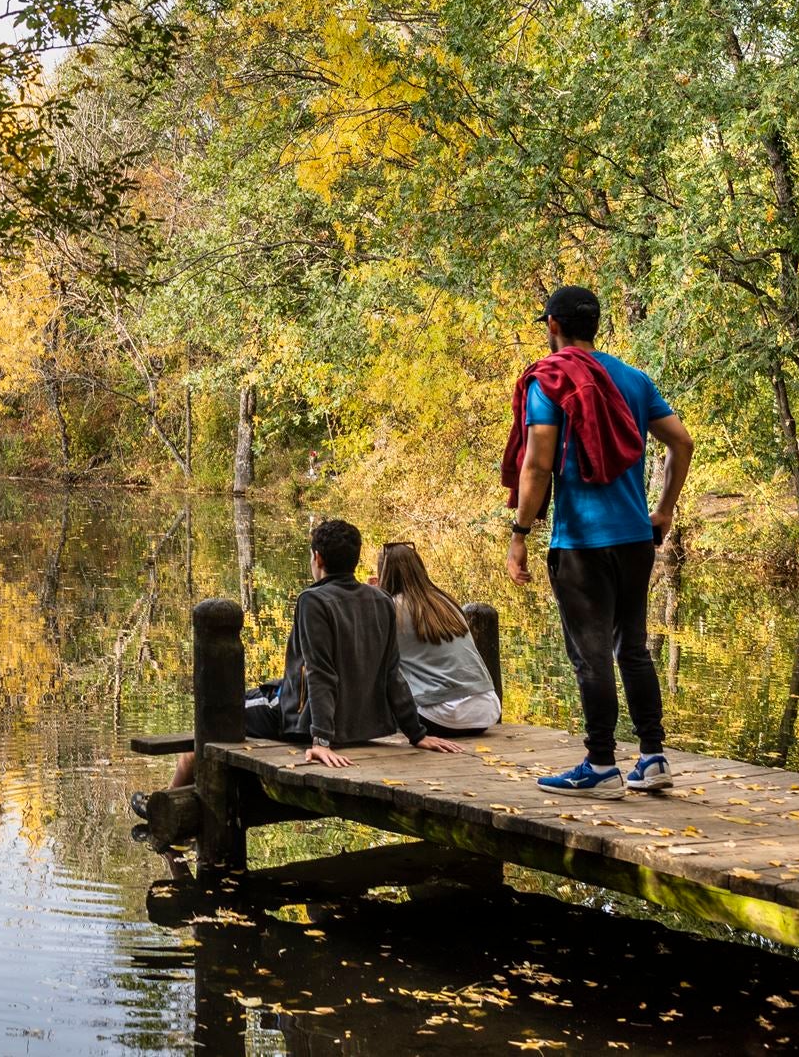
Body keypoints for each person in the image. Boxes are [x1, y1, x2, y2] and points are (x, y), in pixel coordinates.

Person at [133, 520, 465, 815]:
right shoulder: (380, 600)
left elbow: (321, 672)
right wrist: (416, 734)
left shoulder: (314, 600)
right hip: (364, 724)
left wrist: (320, 739)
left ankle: (164, 807)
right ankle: (174, 798)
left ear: (317, 558)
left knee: (214, 717)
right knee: (262, 692)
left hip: (309, 723)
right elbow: (392, 672)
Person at [503, 284, 693, 800]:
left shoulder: (552, 380)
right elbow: (681, 441)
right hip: (636, 538)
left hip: (583, 543)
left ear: (553, 326)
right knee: (632, 648)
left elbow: (538, 463)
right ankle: (652, 757)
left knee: (591, 656)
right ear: (596, 326)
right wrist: (665, 507)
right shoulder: (631, 378)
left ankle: (602, 763)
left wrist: (519, 534)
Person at [374, 542, 500, 737]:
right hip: (486, 710)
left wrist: (372, 597)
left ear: (384, 573)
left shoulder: (389, 609)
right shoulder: (446, 602)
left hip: (442, 717)